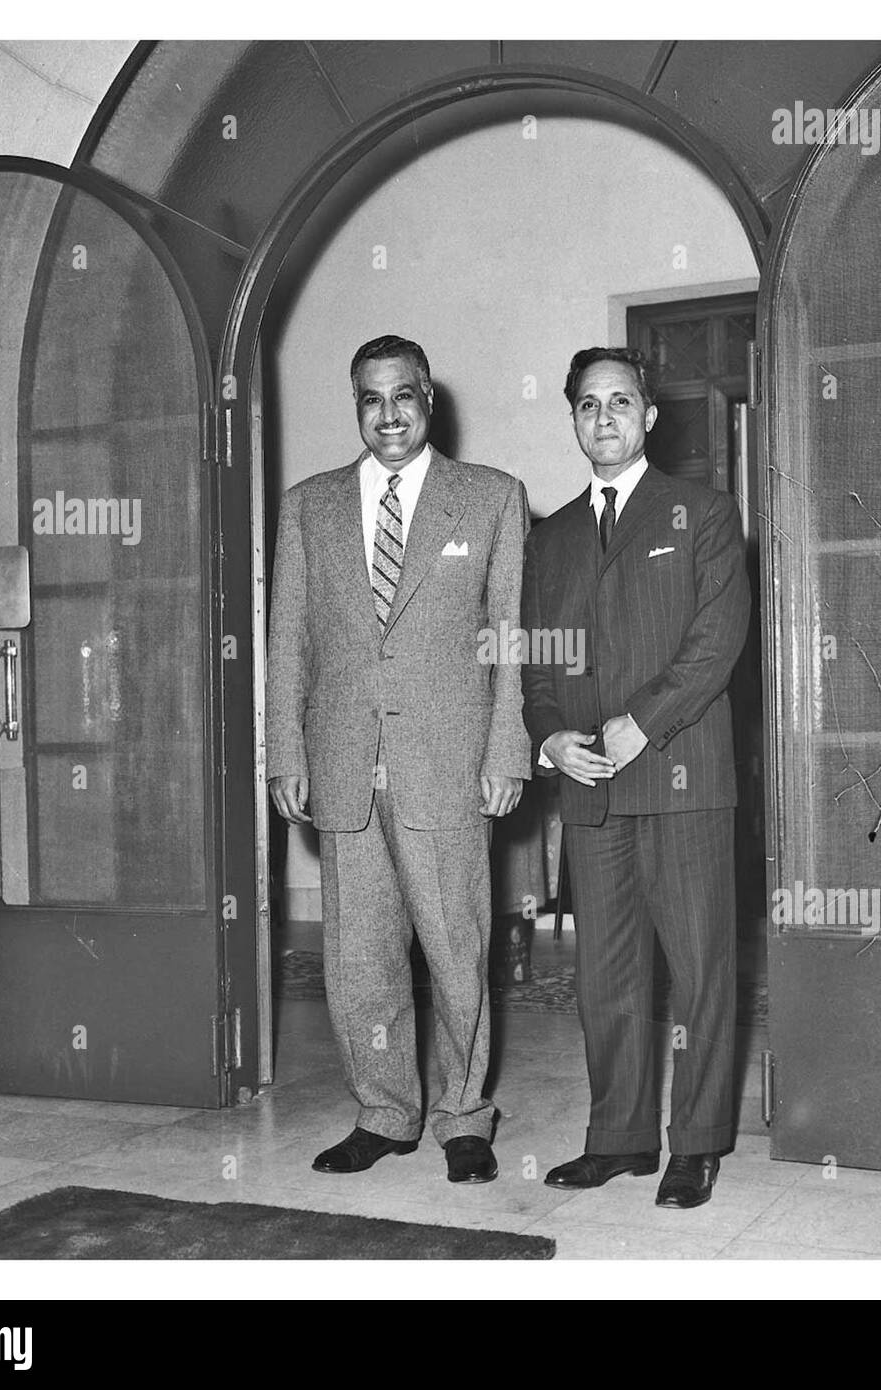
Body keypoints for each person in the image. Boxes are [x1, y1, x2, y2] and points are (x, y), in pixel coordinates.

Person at [266, 335, 529, 1184]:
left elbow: (511, 640)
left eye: (403, 396)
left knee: (457, 951)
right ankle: (383, 1112)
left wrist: (508, 747)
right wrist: (286, 752)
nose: (388, 415)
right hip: (343, 764)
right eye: (370, 400)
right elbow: (288, 647)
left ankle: (463, 1117)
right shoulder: (308, 506)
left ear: (429, 399)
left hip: (448, 762)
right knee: (360, 958)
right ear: (357, 407)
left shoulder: (489, 499)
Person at [521, 346, 750, 1209]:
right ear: (574, 420)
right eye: (588, 404)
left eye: (621, 402)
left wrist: (637, 723)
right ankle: (618, 1139)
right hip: (590, 788)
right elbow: (536, 666)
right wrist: (549, 741)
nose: (605, 418)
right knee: (604, 975)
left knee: (697, 970)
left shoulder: (705, 513)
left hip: (682, 776)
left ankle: (694, 1142)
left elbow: (714, 647)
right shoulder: (553, 538)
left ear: (650, 417)